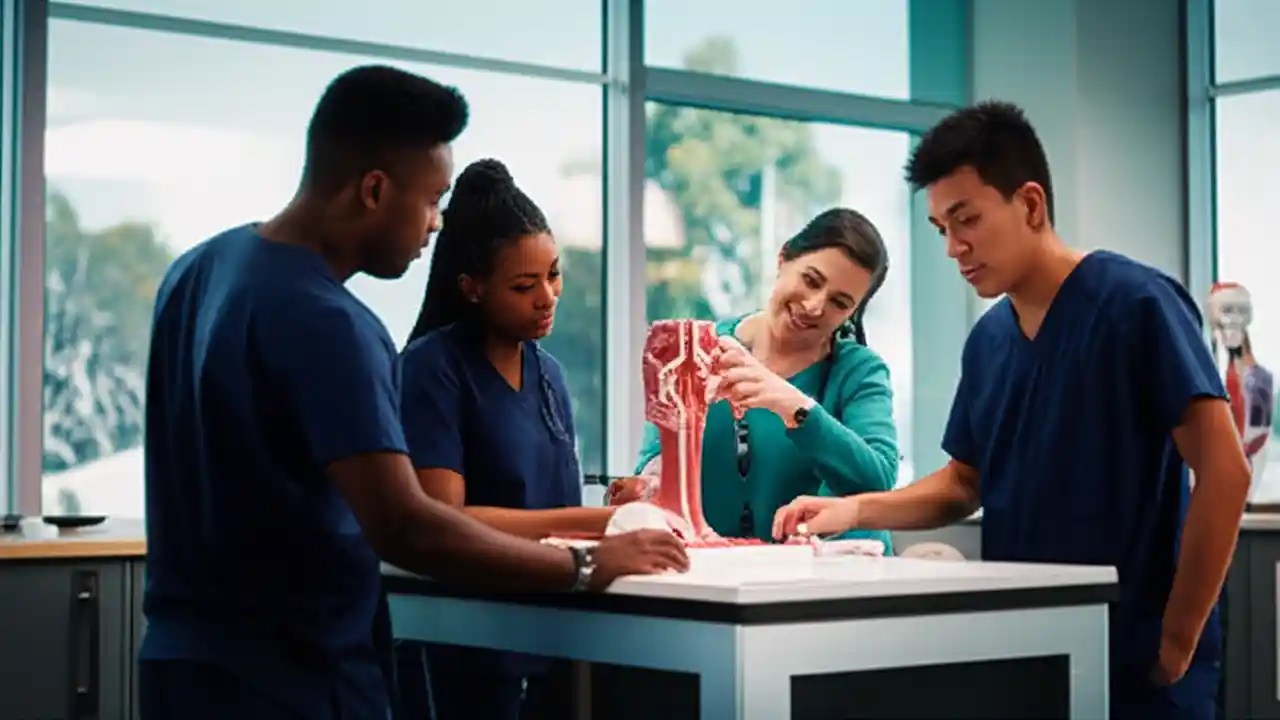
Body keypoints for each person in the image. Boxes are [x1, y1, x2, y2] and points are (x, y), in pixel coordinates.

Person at [138, 65, 688, 720]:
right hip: (295, 679)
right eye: (432, 200)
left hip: (180, 670)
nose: (435, 226)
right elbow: (407, 525)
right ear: (374, 190)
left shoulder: (196, 270)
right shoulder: (331, 322)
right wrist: (586, 563)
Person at [772, 100, 1249, 719]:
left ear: (1029, 204)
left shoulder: (1136, 305)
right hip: (1030, 648)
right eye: (941, 228)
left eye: (966, 219)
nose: (953, 248)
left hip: (1138, 659)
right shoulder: (991, 341)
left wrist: (1179, 637)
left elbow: (1225, 470)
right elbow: (965, 484)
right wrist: (852, 509)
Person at [397, 158, 622, 719]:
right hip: (467, 634)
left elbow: (549, 506)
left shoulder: (550, 374)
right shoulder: (432, 370)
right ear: (472, 288)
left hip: (555, 627)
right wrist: (600, 525)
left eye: (554, 274)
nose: (547, 296)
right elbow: (444, 518)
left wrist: (619, 504)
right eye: (524, 285)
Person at [609, 208, 900, 551]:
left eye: (839, 302)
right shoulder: (696, 349)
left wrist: (793, 405)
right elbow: (653, 466)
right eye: (811, 280)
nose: (814, 306)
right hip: (721, 575)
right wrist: (646, 485)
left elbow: (878, 477)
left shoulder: (858, 371)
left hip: (834, 581)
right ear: (783, 258)